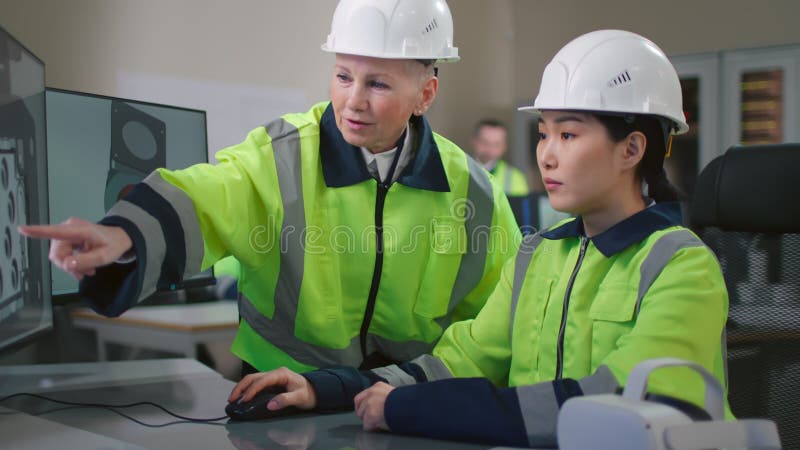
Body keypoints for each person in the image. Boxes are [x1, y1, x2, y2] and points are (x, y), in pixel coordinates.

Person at [227, 30, 732, 448]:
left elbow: (615, 402)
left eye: (569, 135)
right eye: (543, 133)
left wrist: (410, 408)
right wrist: (326, 389)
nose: (546, 154)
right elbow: (458, 361)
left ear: (632, 149)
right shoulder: (540, 256)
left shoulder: (681, 266)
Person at [20, 0, 520, 375]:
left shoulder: (475, 194)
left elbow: (499, 319)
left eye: (378, 84)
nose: (353, 101)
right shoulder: (283, 156)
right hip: (281, 393)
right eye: (343, 76)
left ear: (425, 94)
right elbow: (210, 196)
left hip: (405, 401)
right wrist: (127, 234)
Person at [472, 119, 529, 196]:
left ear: (504, 147)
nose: (490, 149)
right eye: (485, 142)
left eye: (496, 145)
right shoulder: (458, 170)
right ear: (474, 141)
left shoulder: (516, 177)